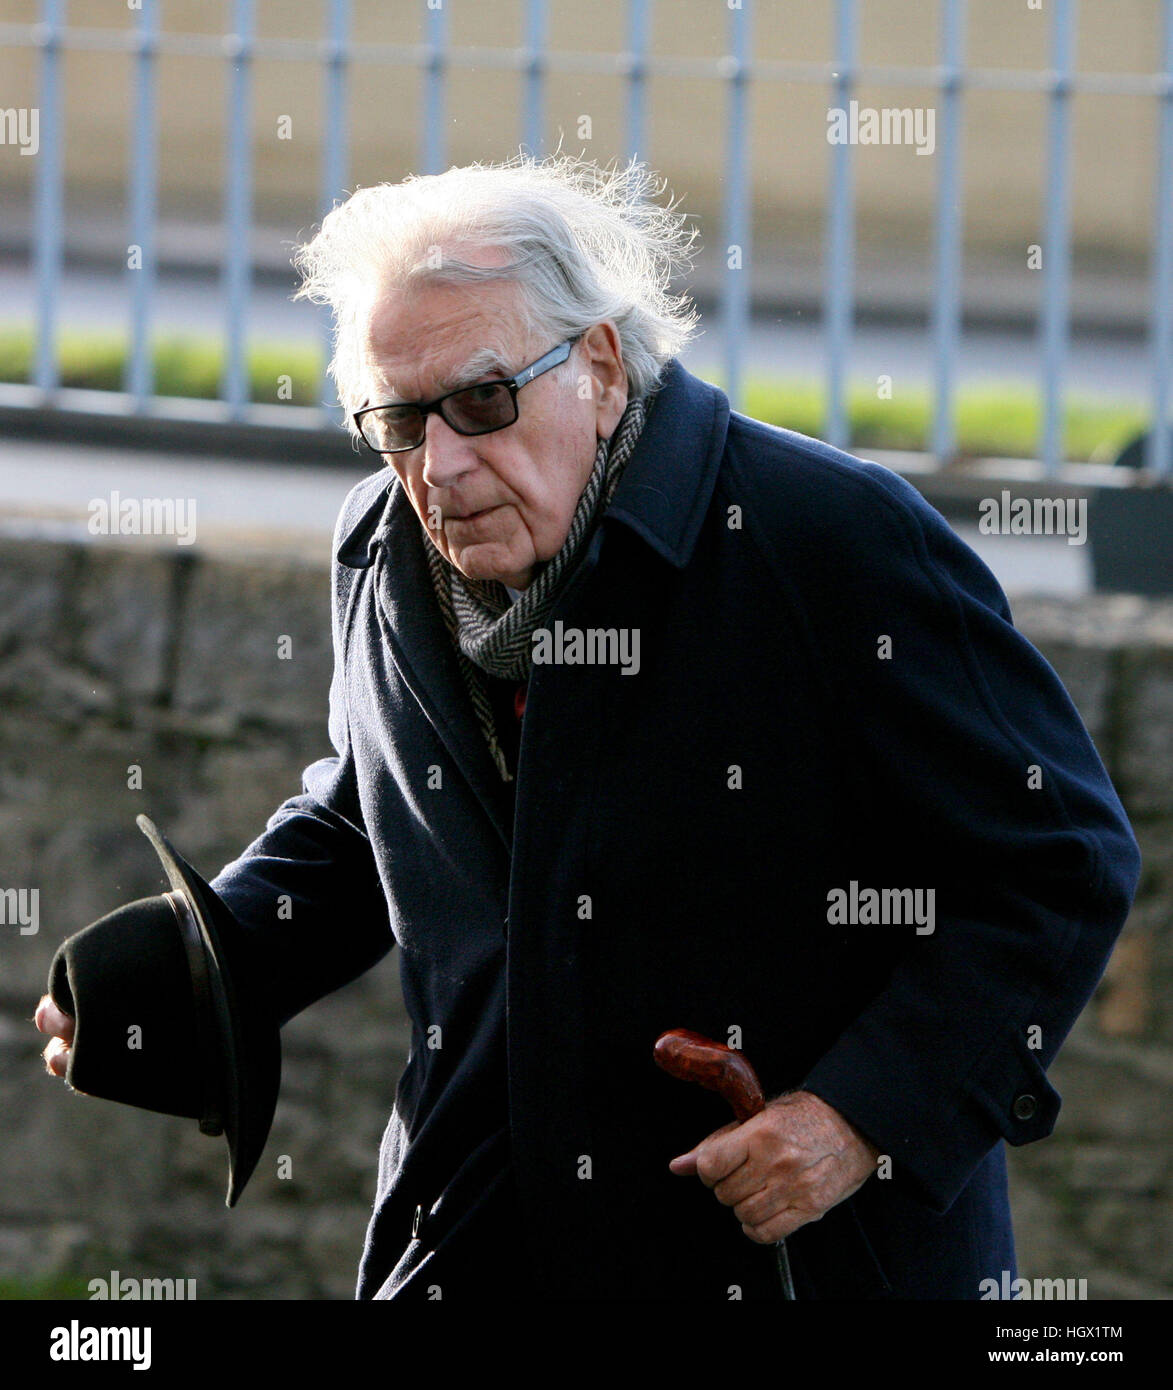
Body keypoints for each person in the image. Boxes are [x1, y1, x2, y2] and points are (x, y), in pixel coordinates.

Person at [37, 156, 1141, 1301]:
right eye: (399, 421)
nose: (443, 466)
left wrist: (857, 1116)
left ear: (602, 368)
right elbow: (382, 809)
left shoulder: (830, 543)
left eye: (482, 400)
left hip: (786, 1264)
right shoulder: (381, 545)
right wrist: (209, 961)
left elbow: (1059, 862)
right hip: (472, 1241)